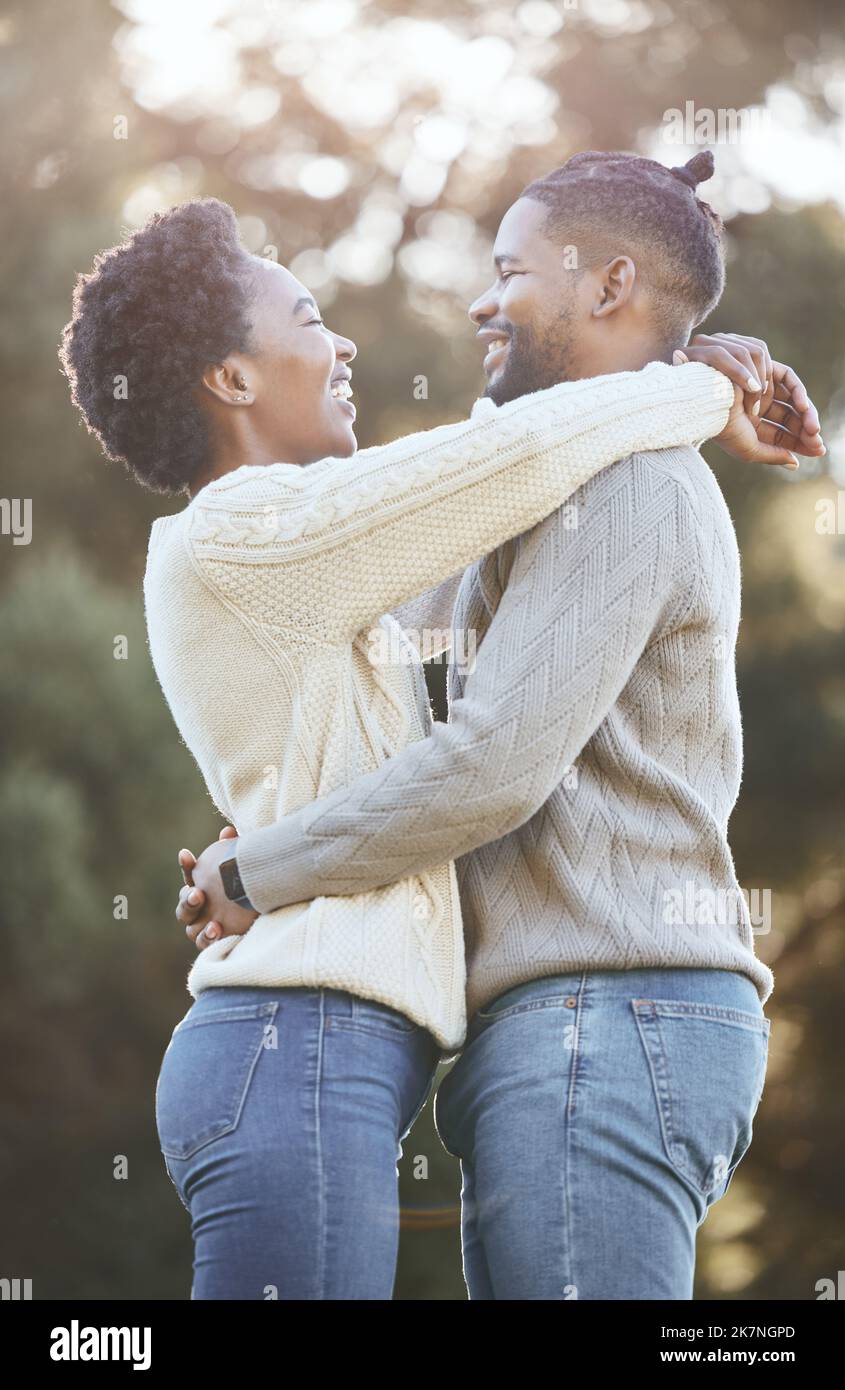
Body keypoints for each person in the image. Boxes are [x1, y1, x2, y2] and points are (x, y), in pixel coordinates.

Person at [174, 153, 823, 1300]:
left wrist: (257, 872)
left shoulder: (627, 485)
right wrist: (686, 375)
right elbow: (416, 584)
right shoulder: (563, 483)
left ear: (608, 283)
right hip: (563, 1026)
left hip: (607, 1013)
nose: (480, 299)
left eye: (509, 270)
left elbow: (489, 765)